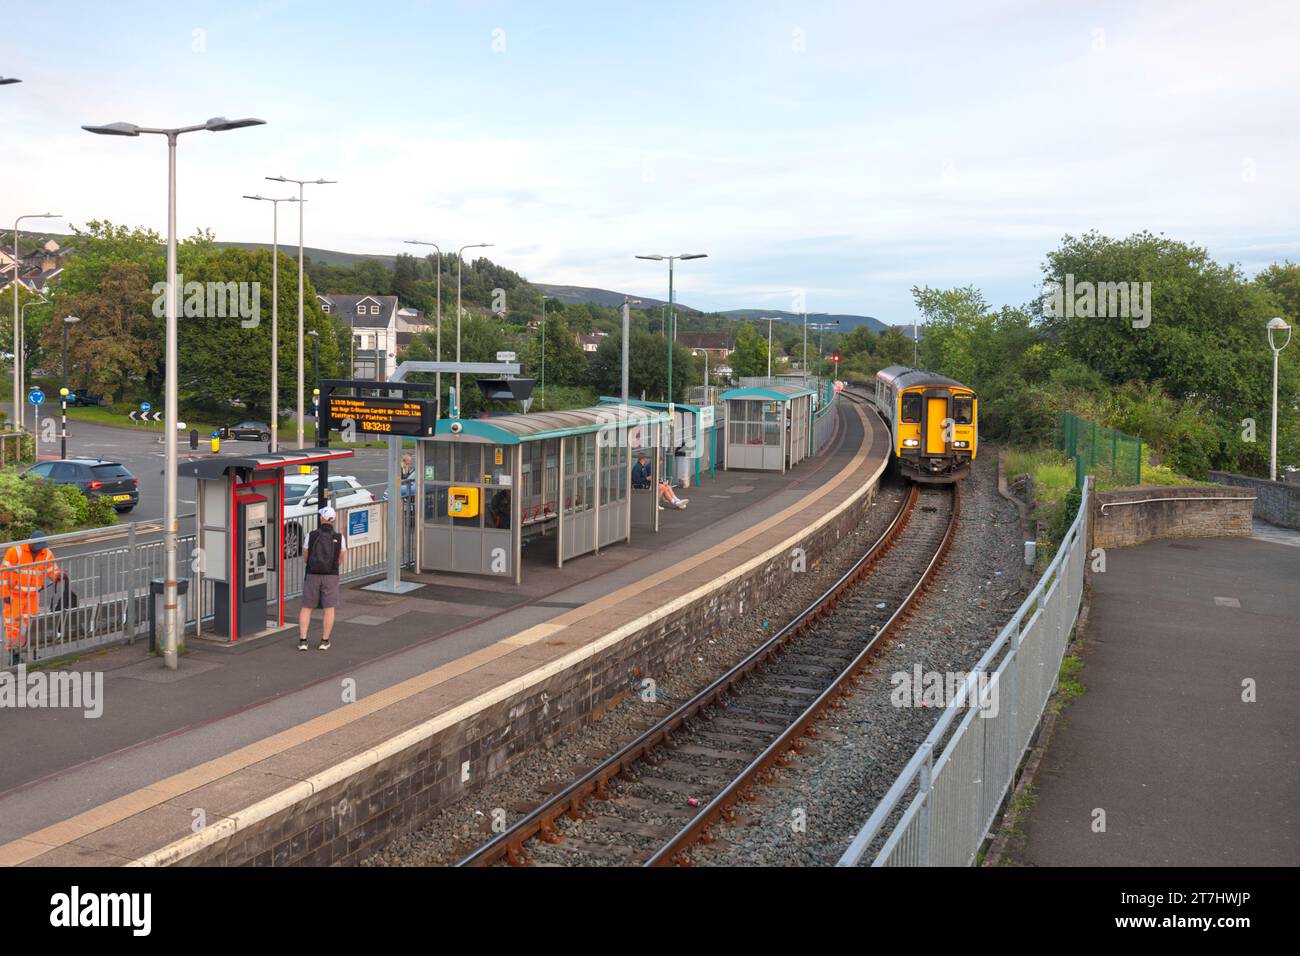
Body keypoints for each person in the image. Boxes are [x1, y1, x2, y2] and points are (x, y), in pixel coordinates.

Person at [1, 530, 62, 665]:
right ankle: (14, 656)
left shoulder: (46, 553)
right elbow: (3, 575)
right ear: (30, 542)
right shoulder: (15, 552)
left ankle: (33, 652)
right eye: (37, 546)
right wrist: (5, 595)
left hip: (32, 596)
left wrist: (58, 576)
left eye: (41, 546)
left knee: (33, 625)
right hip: (14, 596)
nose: (39, 549)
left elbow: (52, 570)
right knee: (13, 626)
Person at [299, 506, 346, 651]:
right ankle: (324, 641)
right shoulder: (339, 538)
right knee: (329, 608)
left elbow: (306, 557)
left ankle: (303, 641)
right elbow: (341, 559)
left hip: (312, 575)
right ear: (334, 520)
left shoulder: (311, 535)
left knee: (307, 608)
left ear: (321, 519)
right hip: (331, 576)